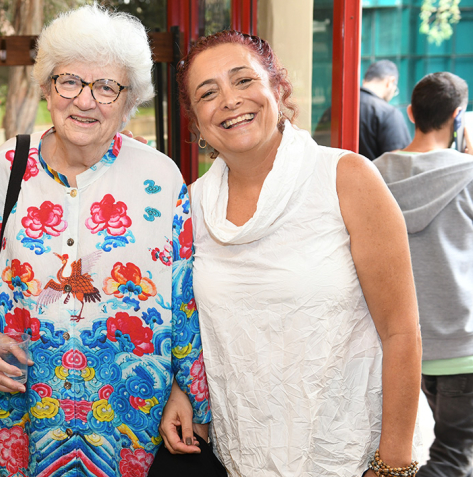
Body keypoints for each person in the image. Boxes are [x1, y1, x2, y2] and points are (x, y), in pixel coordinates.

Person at [159, 30, 422, 476]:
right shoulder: (192, 205)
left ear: (277, 89)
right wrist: (181, 391)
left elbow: (402, 332)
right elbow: (197, 328)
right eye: (208, 93)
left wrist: (392, 463)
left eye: (243, 80)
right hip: (243, 454)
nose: (229, 100)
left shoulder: (346, 178)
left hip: (352, 455)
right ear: (196, 122)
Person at [0, 4, 212, 477]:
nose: (85, 100)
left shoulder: (160, 178)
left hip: (131, 412)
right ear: (46, 86)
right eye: (70, 81)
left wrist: (187, 391)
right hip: (28, 405)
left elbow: (184, 301)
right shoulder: (7, 166)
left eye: (106, 87)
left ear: (128, 99)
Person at [373, 72, 473, 477]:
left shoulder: (374, 173)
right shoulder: (468, 175)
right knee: (452, 457)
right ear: (458, 115)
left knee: (405, 452)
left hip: (395, 346)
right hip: (460, 343)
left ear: (411, 112)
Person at [359, 59, 411, 159]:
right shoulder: (388, 113)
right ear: (390, 82)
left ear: (364, 81)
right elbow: (399, 161)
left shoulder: (338, 108)